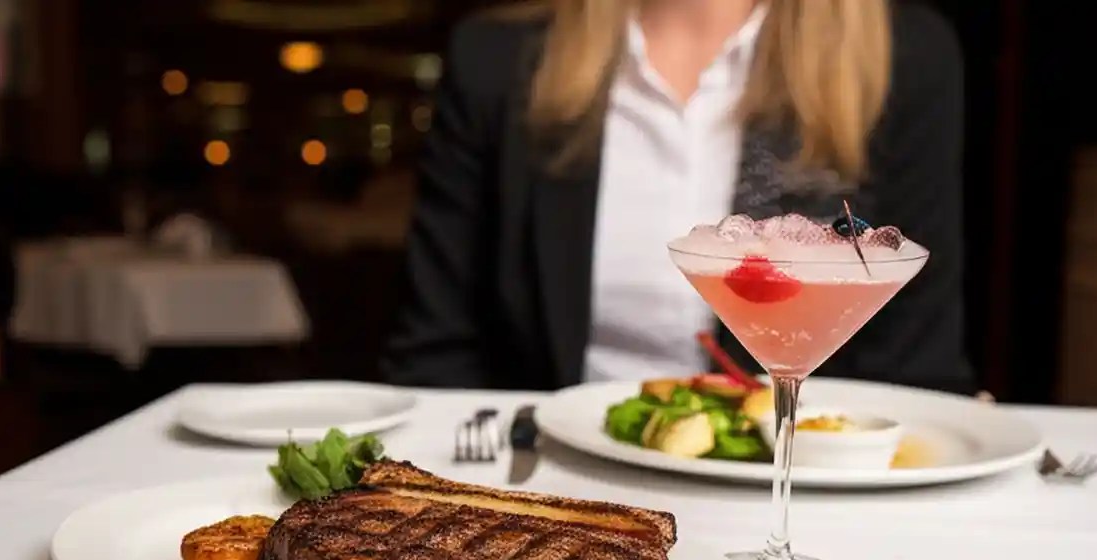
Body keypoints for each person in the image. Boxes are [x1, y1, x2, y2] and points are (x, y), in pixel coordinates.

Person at [383, 0, 975, 393]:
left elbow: (918, 372)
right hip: (553, 493)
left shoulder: (904, 57)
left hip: (812, 502)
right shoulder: (497, 60)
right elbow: (435, 358)